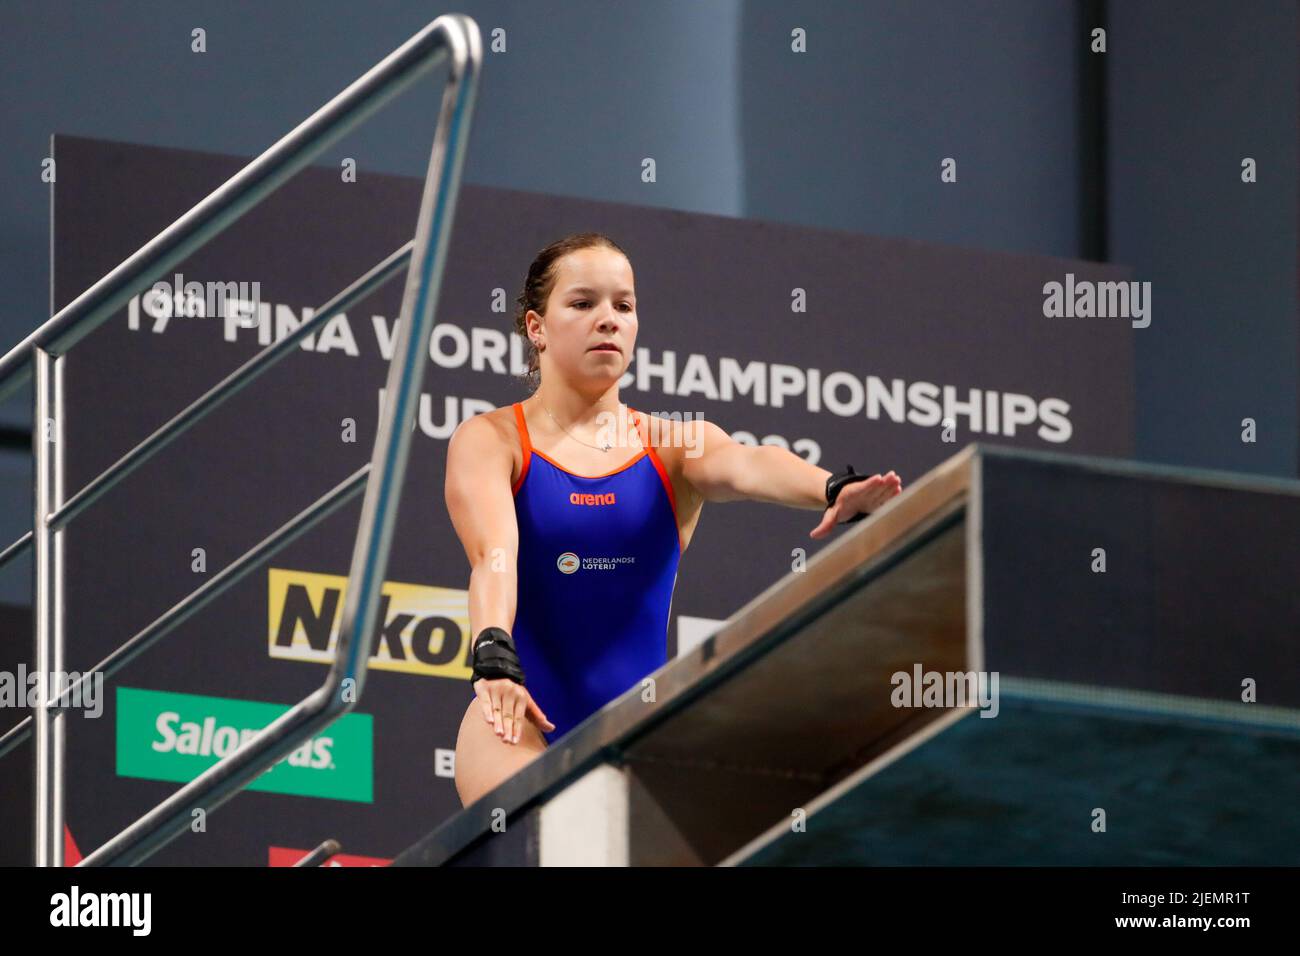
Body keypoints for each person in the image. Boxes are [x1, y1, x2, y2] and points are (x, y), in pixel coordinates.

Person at [445, 233, 902, 807]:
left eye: (623, 305)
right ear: (536, 327)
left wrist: (832, 486)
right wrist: (492, 649)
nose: (608, 320)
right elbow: (494, 555)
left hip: (635, 738)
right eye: (583, 304)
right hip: (515, 717)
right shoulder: (490, 439)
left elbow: (749, 464)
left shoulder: (673, 444)